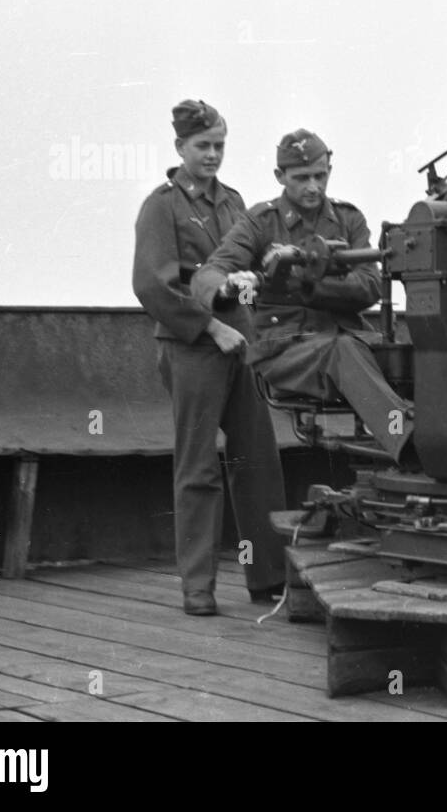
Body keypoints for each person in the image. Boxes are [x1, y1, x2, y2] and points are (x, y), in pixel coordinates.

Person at [132, 99, 287, 616]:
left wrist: (266, 270)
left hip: (240, 345)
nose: (213, 154)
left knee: (259, 462)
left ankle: (268, 578)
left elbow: (240, 268)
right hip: (191, 348)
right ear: (180, 148)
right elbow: (151, 285)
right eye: (203, 146)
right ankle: (197, 587)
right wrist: (210, 326)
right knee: (198, 469)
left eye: (220, 144)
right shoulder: (162, 206)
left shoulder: (236, 202)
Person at [191, 128, 415, 463]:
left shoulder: (348, 219)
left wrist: (304, 284)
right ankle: (411, 443)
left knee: (421, 358)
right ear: (280, 176)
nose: (313, 187)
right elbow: (206, 274)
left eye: (320, 176)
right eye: (302, 178)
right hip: (286, 351)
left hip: (348, 344)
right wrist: (227, 287)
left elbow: (369, 284)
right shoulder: (260, 222)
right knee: (343, 350)